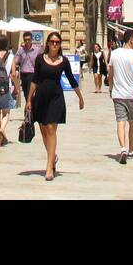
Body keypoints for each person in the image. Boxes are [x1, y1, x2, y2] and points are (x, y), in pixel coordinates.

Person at [29, 31, 84, 181]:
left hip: (56, 98)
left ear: (60, 45)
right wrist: (29, 100)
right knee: (44, 131)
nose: (54, 44)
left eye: (57, 42)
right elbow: (35, 79)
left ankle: (49, 168)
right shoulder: (40, 59)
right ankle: (52, 156)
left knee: (51, 129)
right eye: (52, 42)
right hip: (40, 98)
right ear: (47, 43)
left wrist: (80, 97)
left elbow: (72, 80)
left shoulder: (64, 61)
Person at [108, 30, 133, 165]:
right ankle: (131, 150)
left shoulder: (114, 53)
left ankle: (122, 148)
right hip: (132, 95)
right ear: (131, 39)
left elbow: (110, 75)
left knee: (120, 121)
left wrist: (111, 89)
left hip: (118, 94)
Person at [14, 33, 38, 119]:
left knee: (29, 96)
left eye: (28, 39)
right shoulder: (21, 50)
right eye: (25, 40)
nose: (27, 41)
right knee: (26, 95)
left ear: (31, 39)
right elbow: (15, 61)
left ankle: (28, 116)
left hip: (33, 74)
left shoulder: (37, 50)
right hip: (24, 75)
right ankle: (30, 114)